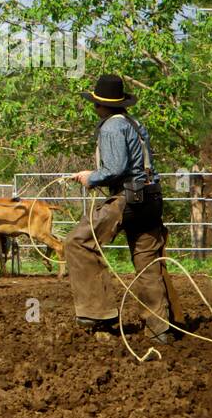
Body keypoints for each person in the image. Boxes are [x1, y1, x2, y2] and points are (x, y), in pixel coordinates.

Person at [66, 74, 178, 344]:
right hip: (151, 198)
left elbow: (115, 168)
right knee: (146, 262)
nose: (94, 108)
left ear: (101, 105)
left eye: (95, 104)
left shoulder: (111, 127)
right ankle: (159, 327)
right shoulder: (135, 124)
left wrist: (90, 177)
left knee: (78, 241)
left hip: (128, 198)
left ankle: (98, 312)